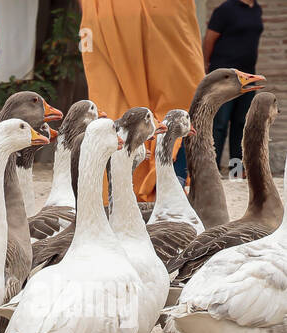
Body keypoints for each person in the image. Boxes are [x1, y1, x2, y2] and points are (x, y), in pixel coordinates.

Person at [80, 0, 205, 199]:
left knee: (113, 103)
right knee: (183, 101)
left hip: (100, 14)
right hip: (164, 11)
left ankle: (116, 199)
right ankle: (169, 194)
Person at [204, 0, 263, 179]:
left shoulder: (256, 9)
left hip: (248, 77)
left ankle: (236, 172)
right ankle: (211, 172)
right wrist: (206, 65)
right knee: (219, 124)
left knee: (241, 124)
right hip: (226, 77)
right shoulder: (225, 9)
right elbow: (209, 40)